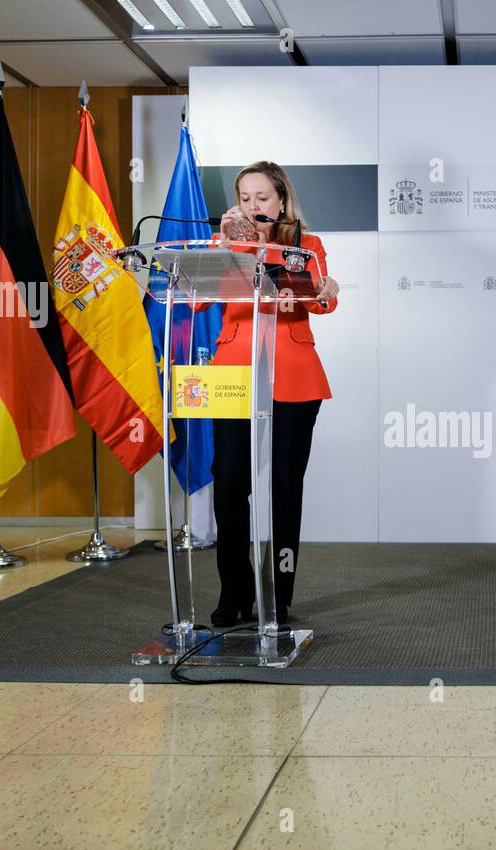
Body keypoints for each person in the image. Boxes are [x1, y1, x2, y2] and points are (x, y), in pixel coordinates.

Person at [208, 161, 339, 627]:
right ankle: (234, 591)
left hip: (295, 377)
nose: (253, 206)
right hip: (232, 376)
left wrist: (324, 288)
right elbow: (199, 296)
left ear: (281, 200)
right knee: (227, 485)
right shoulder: (224, 244)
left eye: (262, 198)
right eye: (245, 198)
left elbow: (323, 299)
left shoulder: (307, 243)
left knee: (286, 486)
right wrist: (228, 244)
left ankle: (279, 593)